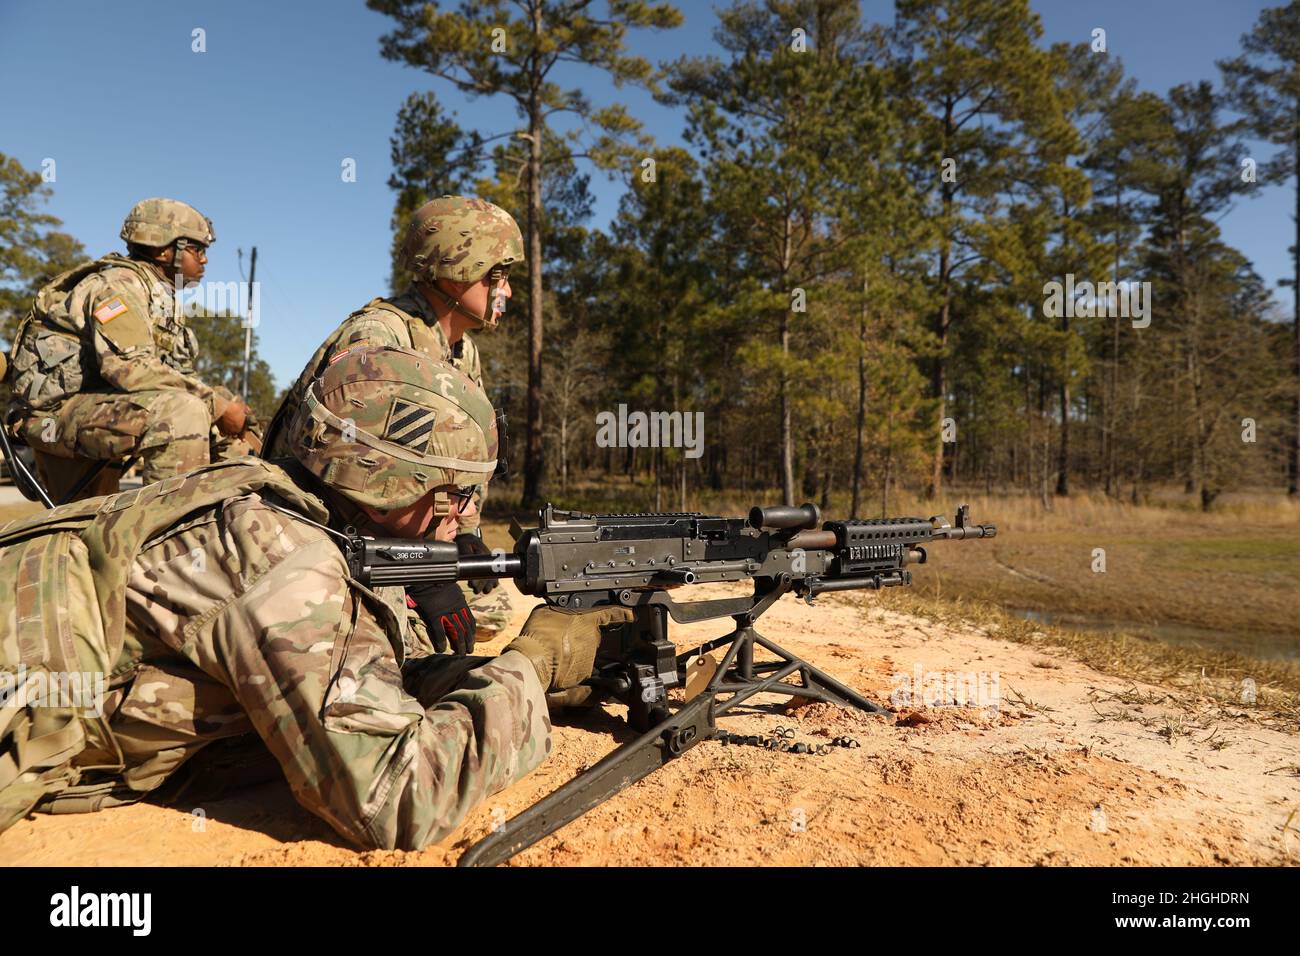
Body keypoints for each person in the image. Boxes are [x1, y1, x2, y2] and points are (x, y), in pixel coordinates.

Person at [0, 345, 630, 850]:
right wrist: (531, 666)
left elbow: (347, 676)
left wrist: (472, 680)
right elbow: (396, 799)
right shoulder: (286, 560)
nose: (464, 516)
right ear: (388, 480)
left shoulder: (279, 501)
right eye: (456, 494)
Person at [261, 194, 523, 634]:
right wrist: (420, 571)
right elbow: (351, 476)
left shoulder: (460, 350)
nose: (507, 291)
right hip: (319, 529)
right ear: (459, 272)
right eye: (497, 275)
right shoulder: (380, 337)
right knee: (406, 638)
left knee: (491, 608)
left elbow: (453, 462)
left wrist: (464, 532)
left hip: (396, 531)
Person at [6, 197, 255, 502]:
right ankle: (169, 538)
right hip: (48, 415)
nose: (204, 260)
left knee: (235, 426)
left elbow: (175, 375)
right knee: (182, 413)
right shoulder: (118, 287)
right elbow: (129, 370)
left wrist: (223, 410)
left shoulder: (160, 298)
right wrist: (215, 406)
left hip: (95, 409)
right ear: (164, 250)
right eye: (197, 249)